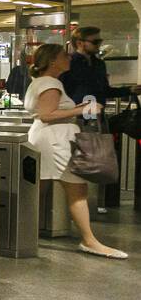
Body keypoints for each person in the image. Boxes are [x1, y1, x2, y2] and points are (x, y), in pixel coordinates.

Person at [25, 43, 125, 259]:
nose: (69, 58)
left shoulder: (41, 81)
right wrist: (83, 109)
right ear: (53, 61)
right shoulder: (51, 83)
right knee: (77, 190)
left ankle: (23, 236)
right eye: (64, 56)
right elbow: (47, 114)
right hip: (55, 140)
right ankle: (89, 241)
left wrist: (74, 108)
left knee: (37, 190)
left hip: (46, 138)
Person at [60, 26, 141, 104]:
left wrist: (130, 90)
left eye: (100, 41)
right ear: (80, 43)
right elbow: (61, 91)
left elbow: (105, 91)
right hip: (75, 112)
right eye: (95, 42)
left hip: (96, 111)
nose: (99, 45)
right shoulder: (68, 63)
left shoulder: (99, 63)